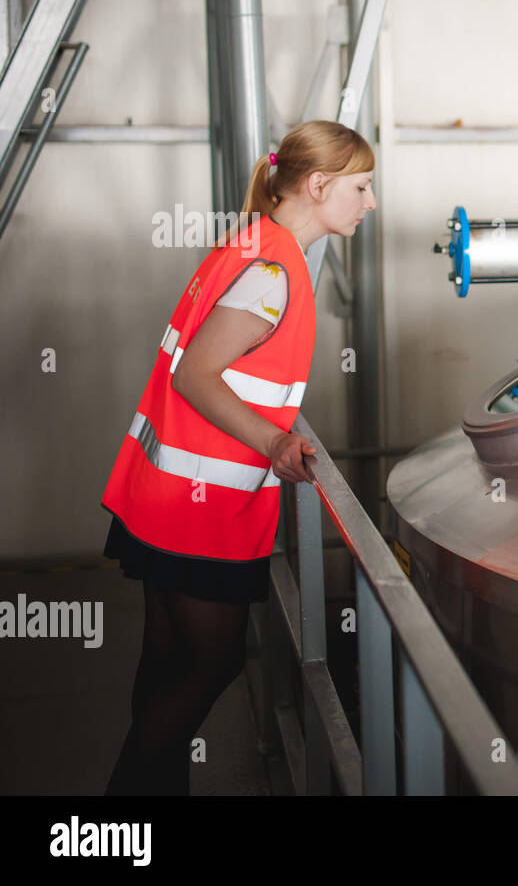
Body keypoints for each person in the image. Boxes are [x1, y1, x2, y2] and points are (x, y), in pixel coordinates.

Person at [101, 120, 376, 795]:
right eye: (361, 187)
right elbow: (196, 374)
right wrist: (275, 442)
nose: (370, 204)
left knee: (165, 670)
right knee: (210, 665)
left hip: (161, 495)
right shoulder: (275, 272)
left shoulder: (251, 243)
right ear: (317, 185)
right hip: (199, 514)